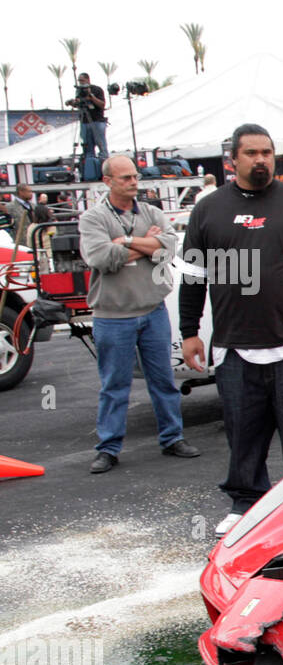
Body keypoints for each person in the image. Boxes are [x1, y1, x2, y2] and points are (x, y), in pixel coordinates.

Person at [179, 123, 283, 536]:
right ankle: (246, 501)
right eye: (251, 153)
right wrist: (189, 331)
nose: (261, 160)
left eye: (267, 153)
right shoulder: (208, 208)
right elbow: (194, 276)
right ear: (232, 160)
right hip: (235, 348)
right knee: (243, 434)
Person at [78, 154, 199, 473]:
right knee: (114, 385)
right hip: (112, 315)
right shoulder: (93, 219)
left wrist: (128, 241)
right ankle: (108, 448)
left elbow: (169, 249)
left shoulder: (151, 211)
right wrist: (148, 243)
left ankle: (172, 438)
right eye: (126, 178)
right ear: (107, 182)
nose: (134, 182)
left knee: (164, 381)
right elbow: (101, 257)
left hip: (152, 310)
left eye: (135, 176)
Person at [72, 73, 109, 171]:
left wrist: (91, 96)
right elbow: (79, 103)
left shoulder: (97, 89)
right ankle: (91, 168)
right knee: (87, 146)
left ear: (88, 80)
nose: (81, 82)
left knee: (101, 145)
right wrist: (74, 102)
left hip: (97, 121)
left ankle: (105, 169)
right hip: (84, 121)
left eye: (82, 80)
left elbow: (102, 105)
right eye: (79, 80)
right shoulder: (78, 91)